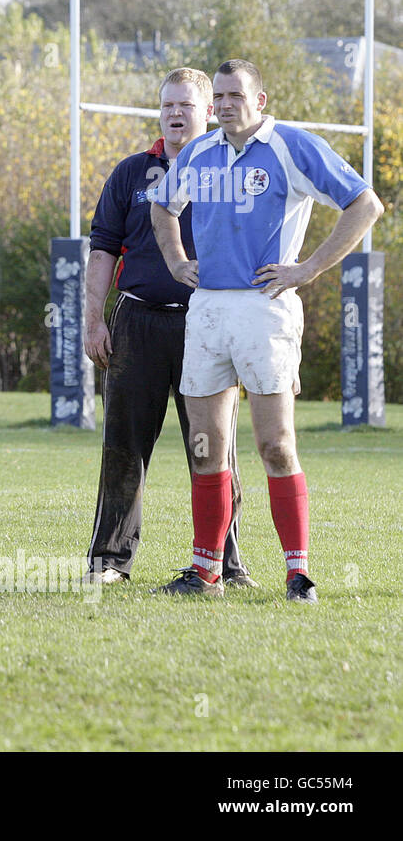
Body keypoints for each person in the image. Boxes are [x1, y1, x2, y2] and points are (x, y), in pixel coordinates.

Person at [150, 59, 383, 602]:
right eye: (220, 97)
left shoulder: (291, 146)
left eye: (236, 95)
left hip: (265, 309)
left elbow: (364, 204)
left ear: (260, 98)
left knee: (275, 445)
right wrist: (177, 261)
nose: (225, 104)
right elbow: (163, 210)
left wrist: (307, 269)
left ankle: (297, 572)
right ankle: (205, 570)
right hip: (207, 310)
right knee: (206, 447)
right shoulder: (197, 153)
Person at [83, 68, 254, 586]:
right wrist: (93, 319)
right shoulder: (133, 172)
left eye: (186, 106)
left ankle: (224, 563)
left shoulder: (231, 169)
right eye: (167, 106)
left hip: (208, 323)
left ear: (208, 112)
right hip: (136, 321)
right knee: (124, 445)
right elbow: (102, 250)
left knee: (213, 446)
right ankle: (110, 561)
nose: (175, 114)